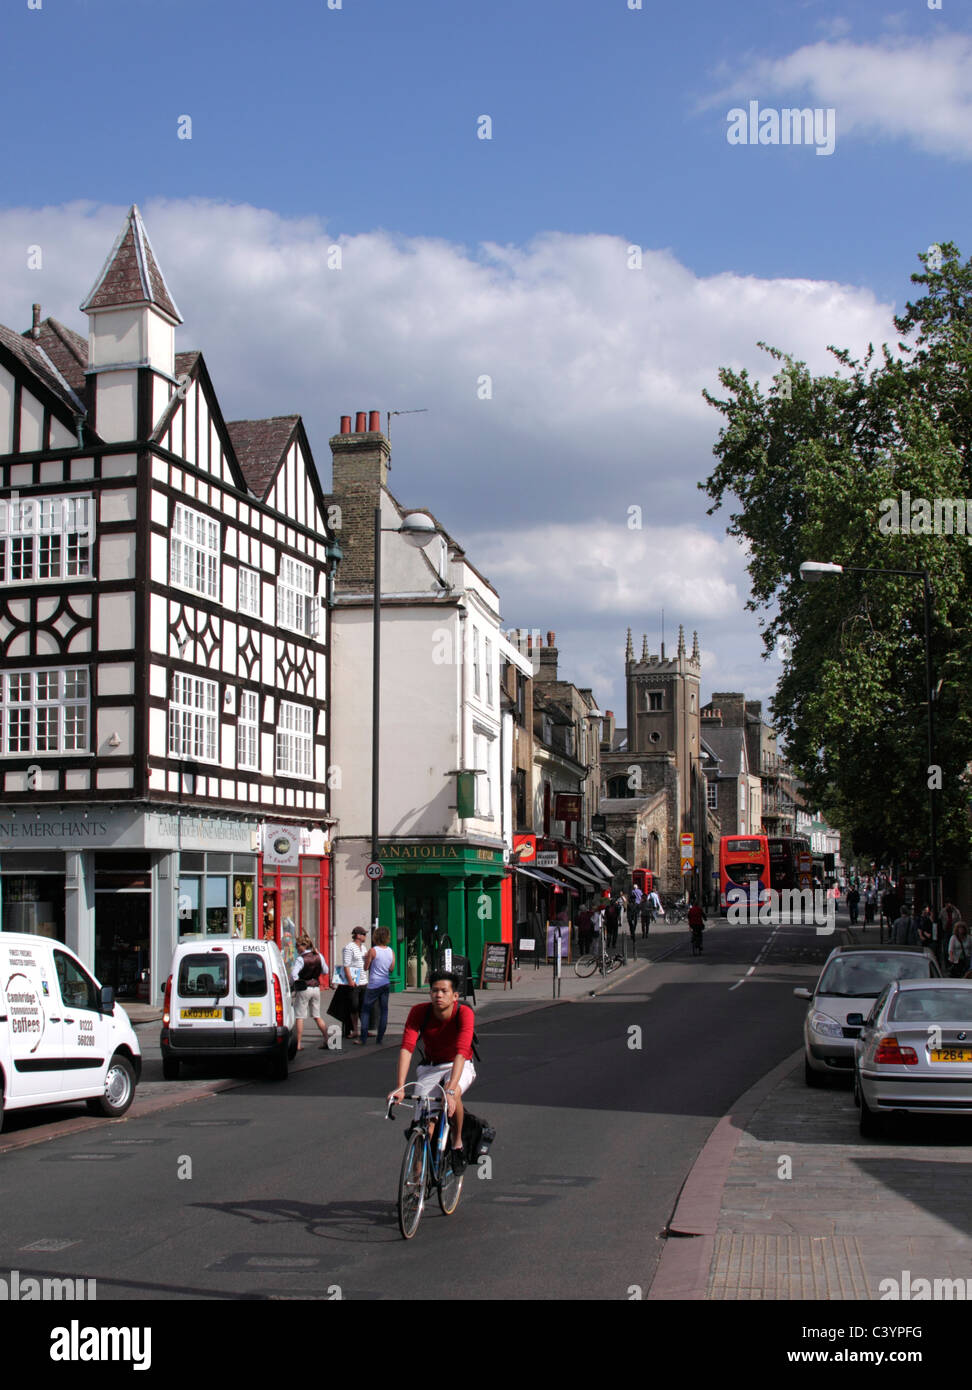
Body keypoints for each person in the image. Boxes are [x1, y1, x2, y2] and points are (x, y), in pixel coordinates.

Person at [388, 971, 475, 1169]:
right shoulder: (419, 1012)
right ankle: (416, 1183)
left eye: (444, 991)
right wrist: (400, 1087)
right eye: (434, 990)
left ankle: (457, 1143)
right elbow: (407, 1048)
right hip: (431, 1066)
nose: (439, 995)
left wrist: (451, 1090)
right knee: (423, 1125)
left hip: (459, 1064)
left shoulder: (464, 1013)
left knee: (453, 1095)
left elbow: (462, 1052)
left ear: (455, 996)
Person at [291, 933, 329, 1051]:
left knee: (299, 1016)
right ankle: (327, 1039)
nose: (296, 948)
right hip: (316, 988)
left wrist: (294, 983)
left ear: (303, 946)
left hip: (304, 988)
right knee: (317, 1016)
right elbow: (326, 970)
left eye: (297, 946)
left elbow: (293, 975)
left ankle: (298, 1044)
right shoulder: (318, 956)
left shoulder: (301, 959)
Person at [360, 925, 395, 1045]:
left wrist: (367, 959)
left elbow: (366, 967)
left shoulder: (373, 951)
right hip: (385, 983)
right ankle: (380, 1038)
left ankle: (363, 1038)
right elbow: (391, 968)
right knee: (384, 1010)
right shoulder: (391, 951)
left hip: (374, 984)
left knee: (365, 1010)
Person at [331, 926, 368, 1040]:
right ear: (358, 935)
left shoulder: (364, 947)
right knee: (354, 1007)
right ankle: (355, 1030)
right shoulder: (349, 948)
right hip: (354, 982)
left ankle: (364, 1029)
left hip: (364, 981)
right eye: (363, 934)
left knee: (363, 1006)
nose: (365, 936)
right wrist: (350, 981)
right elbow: (346, 965)